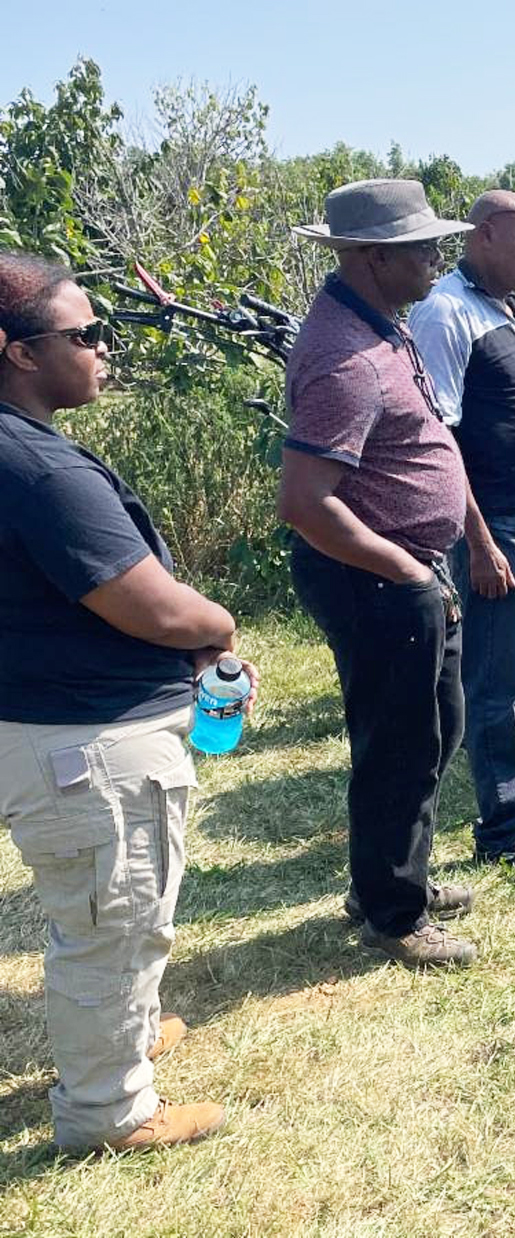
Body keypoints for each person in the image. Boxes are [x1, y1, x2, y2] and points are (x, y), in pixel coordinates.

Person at [0, 251, 259, 1150]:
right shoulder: (33, 468)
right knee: (112, 923)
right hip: (88, 746)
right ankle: (108, 1113)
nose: (104, 347)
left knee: (126, 906)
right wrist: (218, 625)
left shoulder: (24, 448)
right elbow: (146, 603)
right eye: (86, 334)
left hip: (68, 730)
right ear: (19, 352)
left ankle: (131, 1036)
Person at [277, 179, 480, 968]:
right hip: (375, 579)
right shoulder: (344, 359)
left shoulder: (383, 328)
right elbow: (304, 501)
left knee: (438, 725)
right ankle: (393, 914)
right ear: (369, 257)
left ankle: (394, 878)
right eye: (420, 247)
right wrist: (405, 570)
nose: (437, 257)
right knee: (398, 741)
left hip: (406, 570)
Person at [408, 189, 515, 877]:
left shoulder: (507, 305)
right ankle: (502, 829)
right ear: (482, 236)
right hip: (495, 527)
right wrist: (477, 543)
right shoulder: (444, 312)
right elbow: (439, 442)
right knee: (497, 677)